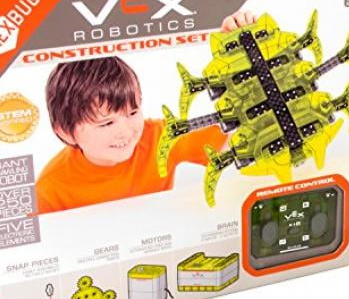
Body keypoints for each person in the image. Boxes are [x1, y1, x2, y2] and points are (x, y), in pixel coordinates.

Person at [35, 11, 255, 213]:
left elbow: (237, 136)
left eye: (132, 113)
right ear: (65, 132)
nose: (126, 131)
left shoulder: (160, 137)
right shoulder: (48, 190)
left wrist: (239, 51)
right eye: (106, 123)